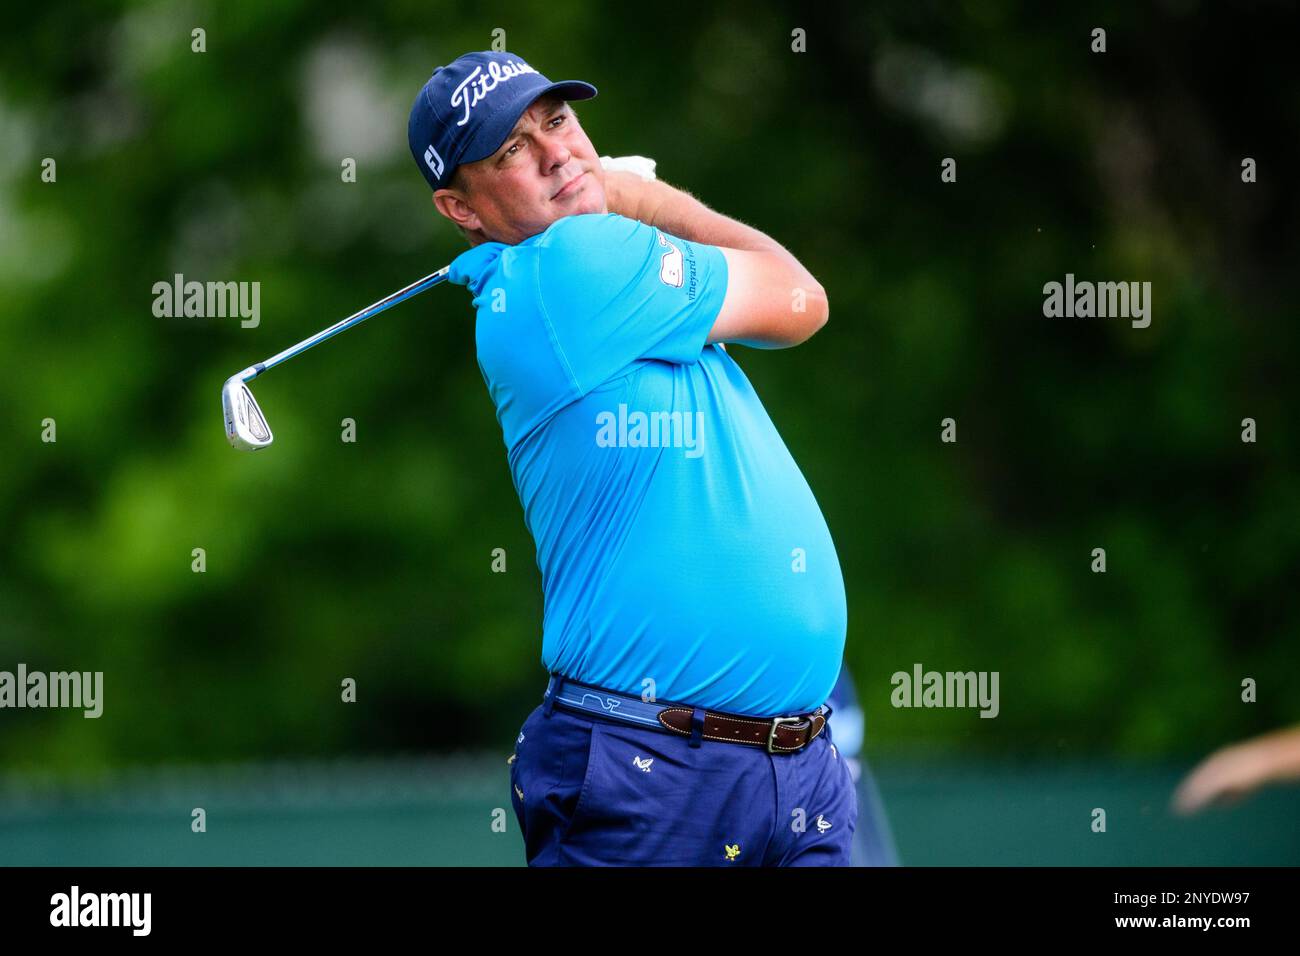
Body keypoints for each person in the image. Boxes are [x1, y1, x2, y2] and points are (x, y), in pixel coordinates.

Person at [408, 51, 853, 866]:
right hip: (656, 770)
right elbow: (801, 300)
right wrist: (642, 197)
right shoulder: (573, 266)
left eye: (557, 121)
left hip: (796, 769)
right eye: (510, 151)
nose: (556, 155)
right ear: (459, 207)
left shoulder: (578, 270)